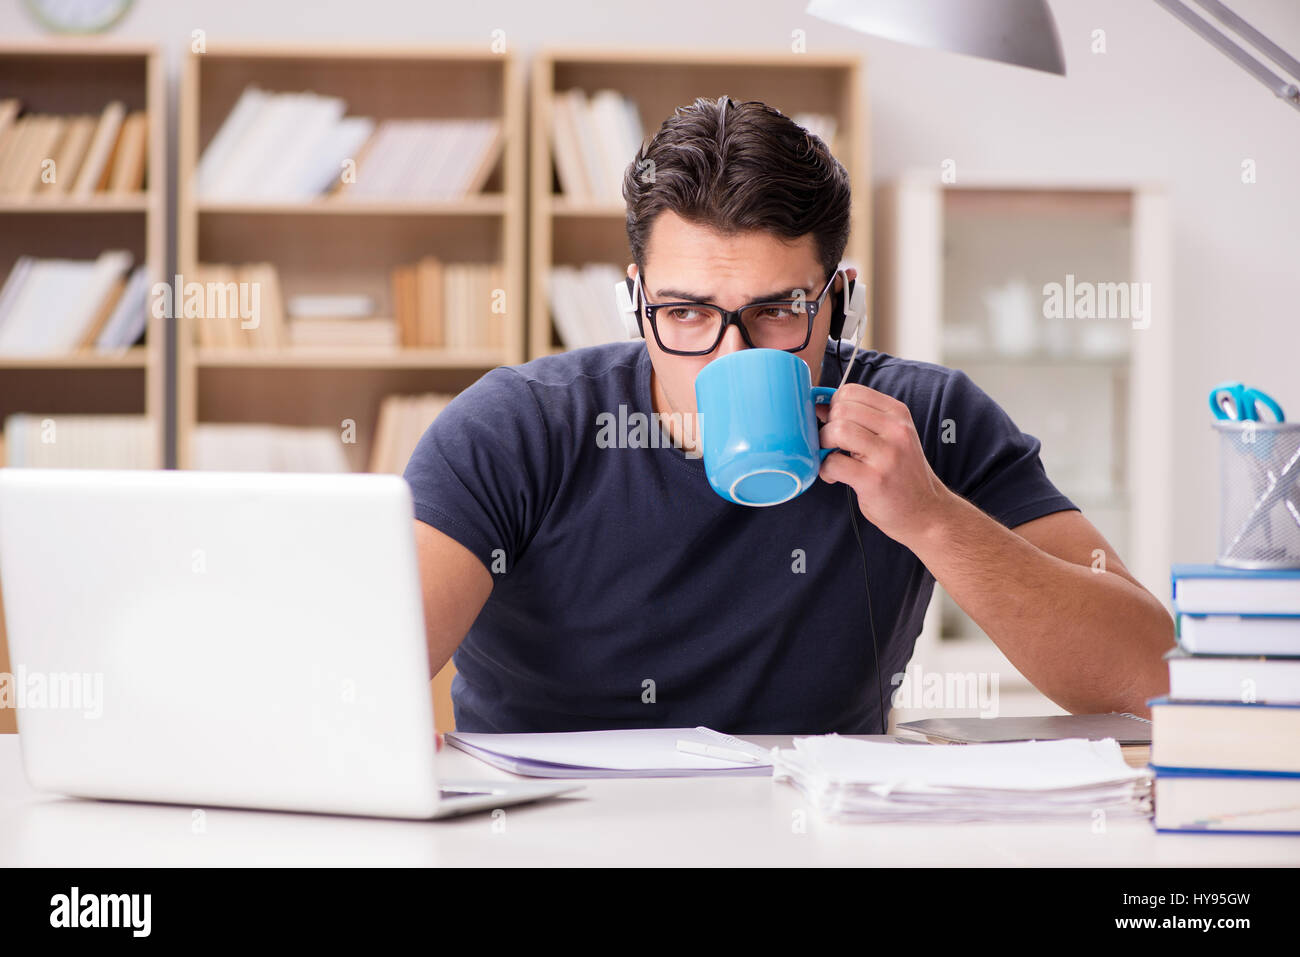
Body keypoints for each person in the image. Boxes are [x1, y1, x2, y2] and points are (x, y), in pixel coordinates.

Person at [404, 95, 1174, 734]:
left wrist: (934, 518)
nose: (730, 354)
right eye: (685, 311)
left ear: (837, 302)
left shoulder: (927, 422)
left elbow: (1152, 678)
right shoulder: (511, 432)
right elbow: (355, 679)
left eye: (775, 309)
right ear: (636, 302)